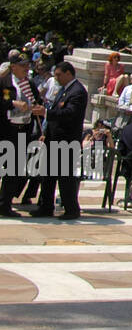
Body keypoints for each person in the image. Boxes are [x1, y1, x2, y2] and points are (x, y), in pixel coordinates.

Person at [30, 62, 88, 220]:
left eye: (59, 75)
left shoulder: (77, 91)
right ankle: (45, 206)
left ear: (68, 73)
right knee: (47, 175)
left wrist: (46, 113)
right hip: (54, 140)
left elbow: (70, 113)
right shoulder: (65, 89)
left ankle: (71, 209)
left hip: (66, 141)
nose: (56, 78)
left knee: (65, 177)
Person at [0, 53, 43, 217]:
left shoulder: (29, 84)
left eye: (27, 65)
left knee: (14, 169)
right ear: (13, 67)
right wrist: (12, 103)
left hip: (22, 130)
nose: (27, 68)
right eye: (23, 65)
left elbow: (37, 102)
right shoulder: (4, 82)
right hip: (5, 130)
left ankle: (5, 204)